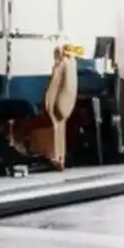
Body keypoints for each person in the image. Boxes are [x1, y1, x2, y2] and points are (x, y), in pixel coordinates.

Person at [43, 43, 80, 171]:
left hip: (57, 100)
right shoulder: (72, 64)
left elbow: (56, 84)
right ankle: (61, 157)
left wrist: (51, 101)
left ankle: (57, 156)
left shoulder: (61, 65)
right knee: (61, 128)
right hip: (64, 101)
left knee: (56, 128)